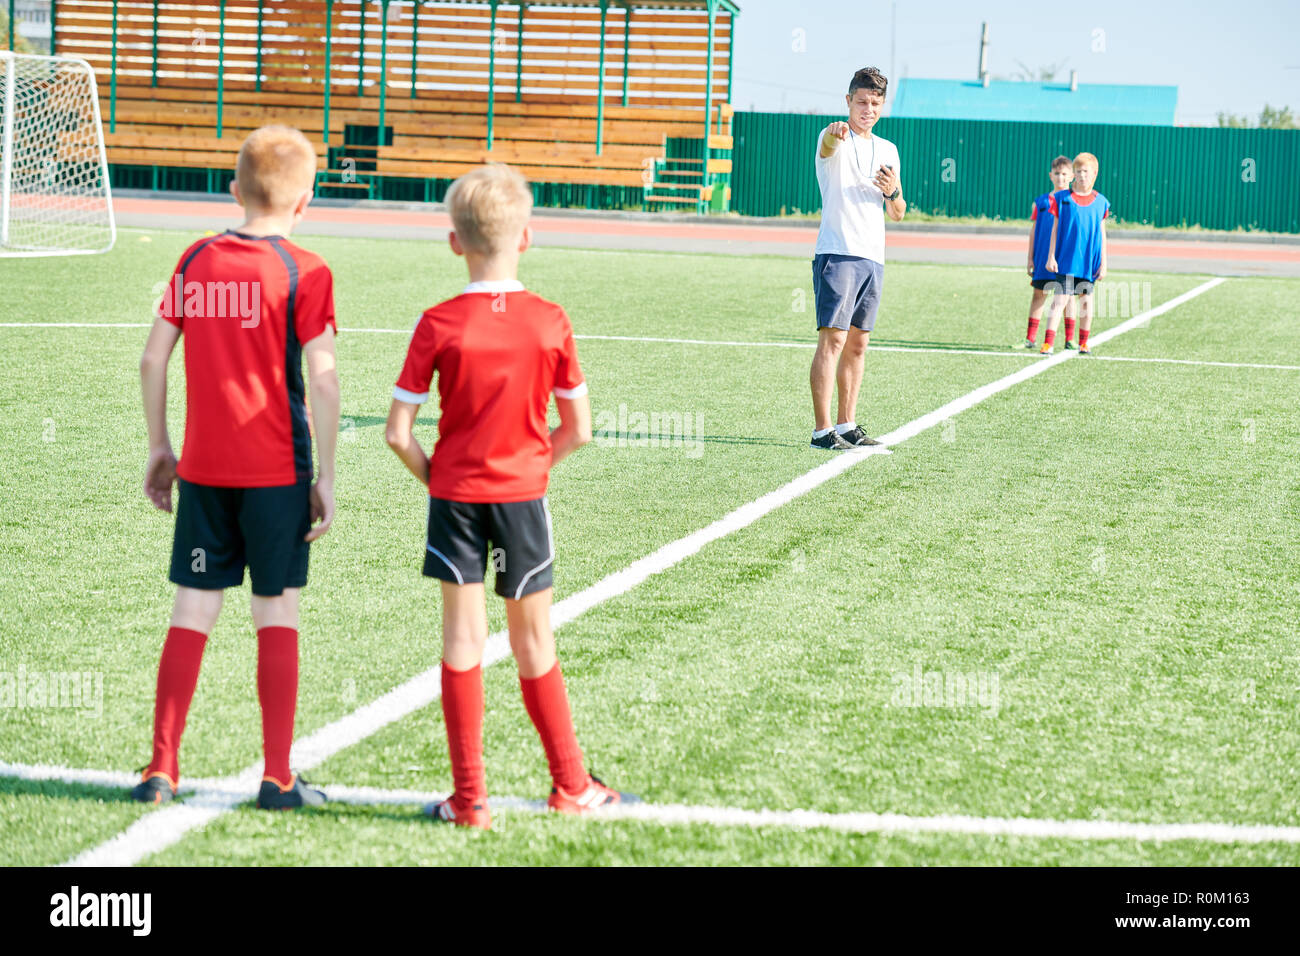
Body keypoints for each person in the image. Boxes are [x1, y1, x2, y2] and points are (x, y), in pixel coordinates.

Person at [385, 163, 637, 830]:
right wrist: (530, 468)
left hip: (455, 500)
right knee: (534, 643)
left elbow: (396, 434)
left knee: (461, 642)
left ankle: (469, 801)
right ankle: (572, 786)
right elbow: (578, 429)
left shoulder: (436, 322)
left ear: (453, 242)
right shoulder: (549, 321)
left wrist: (442, 480)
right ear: (525, 238)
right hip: (522, 500)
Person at [131, 125, 339, 809]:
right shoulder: (306, 270)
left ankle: (161, 768)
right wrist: (326, 477)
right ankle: (278, 776)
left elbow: (153, 357)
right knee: (275, 611)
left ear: (233, 188)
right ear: (305, 201)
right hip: (277, 474)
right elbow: (326, 380)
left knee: (192, 608)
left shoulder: (195, 259)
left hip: (204, 472)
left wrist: (162, 447)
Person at [809, 66, 906, 450]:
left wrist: (893, 191)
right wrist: (833, 136)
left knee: (858, 344)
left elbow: (898, 212)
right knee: (832, 341)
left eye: (875, 103)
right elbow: (827, 150)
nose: (868, 109)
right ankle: (821, 431)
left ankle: (848, 425)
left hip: (873, 257)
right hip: (838, 252)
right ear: (848, 101)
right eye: (862, 101)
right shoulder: (833, 135)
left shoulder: (888, 149)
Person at [1041, 152, 1110, 356]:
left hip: (1089, 262)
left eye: (1086, 172)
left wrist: (1104, 263)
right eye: (1078, 172)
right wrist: (1051, 256)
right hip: (1065, 260)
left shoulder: (1101, 202)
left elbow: (1103, 235)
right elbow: (1054, 229)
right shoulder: (1062, 199)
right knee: (1059, 300)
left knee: (1086, 301)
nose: (1082, 176)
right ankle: (1048, 343)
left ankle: (1083, 342)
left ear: (1094, 174)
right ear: (1073, 175)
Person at [1021, 155, 1074, 349]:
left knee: (1068, 298)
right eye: (1057, 174)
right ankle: (1030, 339)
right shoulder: (1042, 201)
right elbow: (1034, 230)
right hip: (1043, 257)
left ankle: (1070, 339)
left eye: (1064, 174)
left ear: (1071, 177)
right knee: (1039, 294)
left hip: (1065, 259)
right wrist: (1030, 258)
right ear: (1051, 175)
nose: (1061, 178)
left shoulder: (1072, 201)